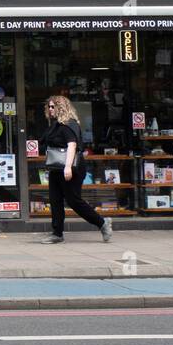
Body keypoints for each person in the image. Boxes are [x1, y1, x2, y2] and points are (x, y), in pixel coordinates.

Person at [41, 95, 111, 245]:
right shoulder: (55, 125)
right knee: (55, 201)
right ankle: (57, 233)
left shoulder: (68, 124)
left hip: (70, 167)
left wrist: (68, 167)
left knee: (74, 201)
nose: (50, 109)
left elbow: (72, 145)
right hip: (56, 168)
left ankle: (102, 223)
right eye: (49, 106)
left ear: (62, 108)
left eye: (53, 107)